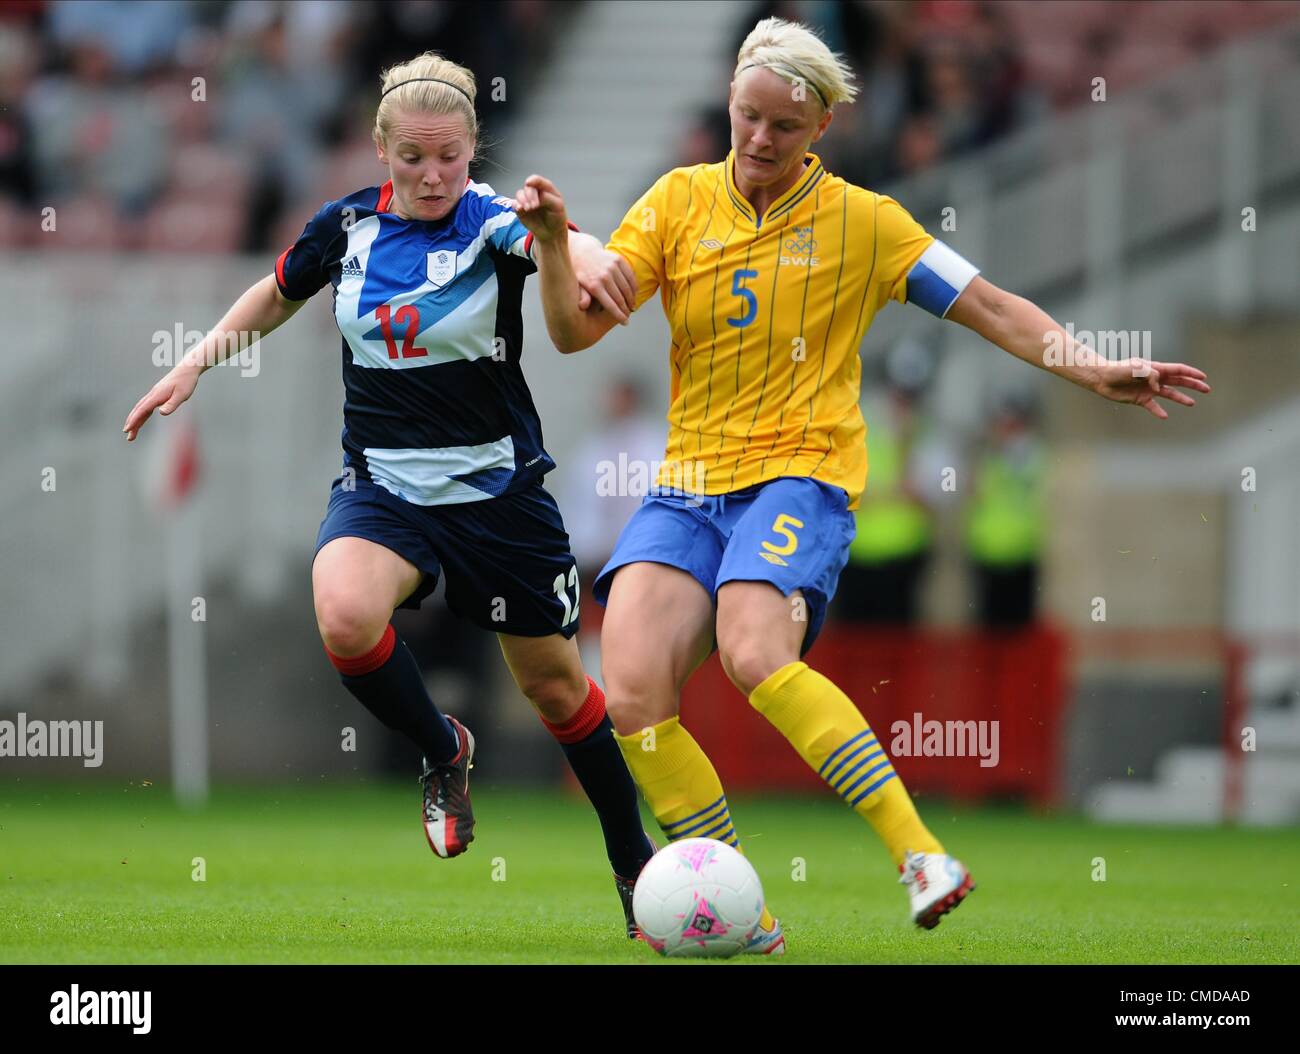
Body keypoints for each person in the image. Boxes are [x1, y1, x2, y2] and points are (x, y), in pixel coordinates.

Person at [510, 17, 1210, 953]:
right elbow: (571, 333)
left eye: (784, 127)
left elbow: (990, 305)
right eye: (748, 117)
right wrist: (555, 245)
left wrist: (1091, 367)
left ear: (822, 129)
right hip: (685, 488)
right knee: (630, 692)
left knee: (755, 652)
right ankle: (740, 910)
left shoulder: (869, 224)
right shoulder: (676, 202)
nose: (760, 140)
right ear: (730, 101)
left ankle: (921, 856)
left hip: (800, 473)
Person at [122, 51, 658, 939]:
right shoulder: (348, 228)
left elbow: (561, 243)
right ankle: (444, 750)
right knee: (342, 615)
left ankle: (634, 864)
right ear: (382, 150)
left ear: (472, 148)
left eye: (450, 155)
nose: (434, 174)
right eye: (413, 156)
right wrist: (195, 361)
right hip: (384, 490)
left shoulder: (492, 221)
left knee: (559, 693)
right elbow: (278, 291)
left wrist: (579, 246)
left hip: (496, 494)